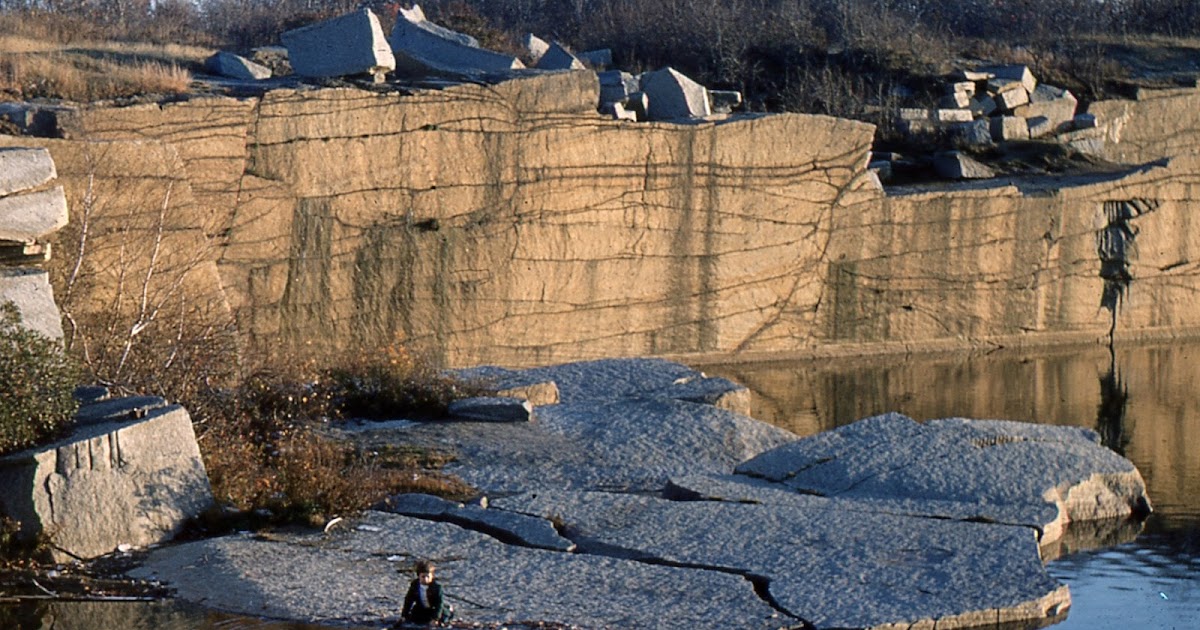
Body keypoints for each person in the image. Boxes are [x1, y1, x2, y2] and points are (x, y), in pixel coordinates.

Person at [399, 559, 453, 627]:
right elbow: (408, 600)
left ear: (432, 576)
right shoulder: (414, 586)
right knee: (415, 619)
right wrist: (404, 615)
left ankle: (448, 609)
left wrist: (435, 618)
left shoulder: (437, 588)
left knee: (443, 618)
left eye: (428, 577)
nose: (425, 579)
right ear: (418, 576)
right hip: (421, 608)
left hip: (433, 609)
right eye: (423, 577)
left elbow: (439, 604)